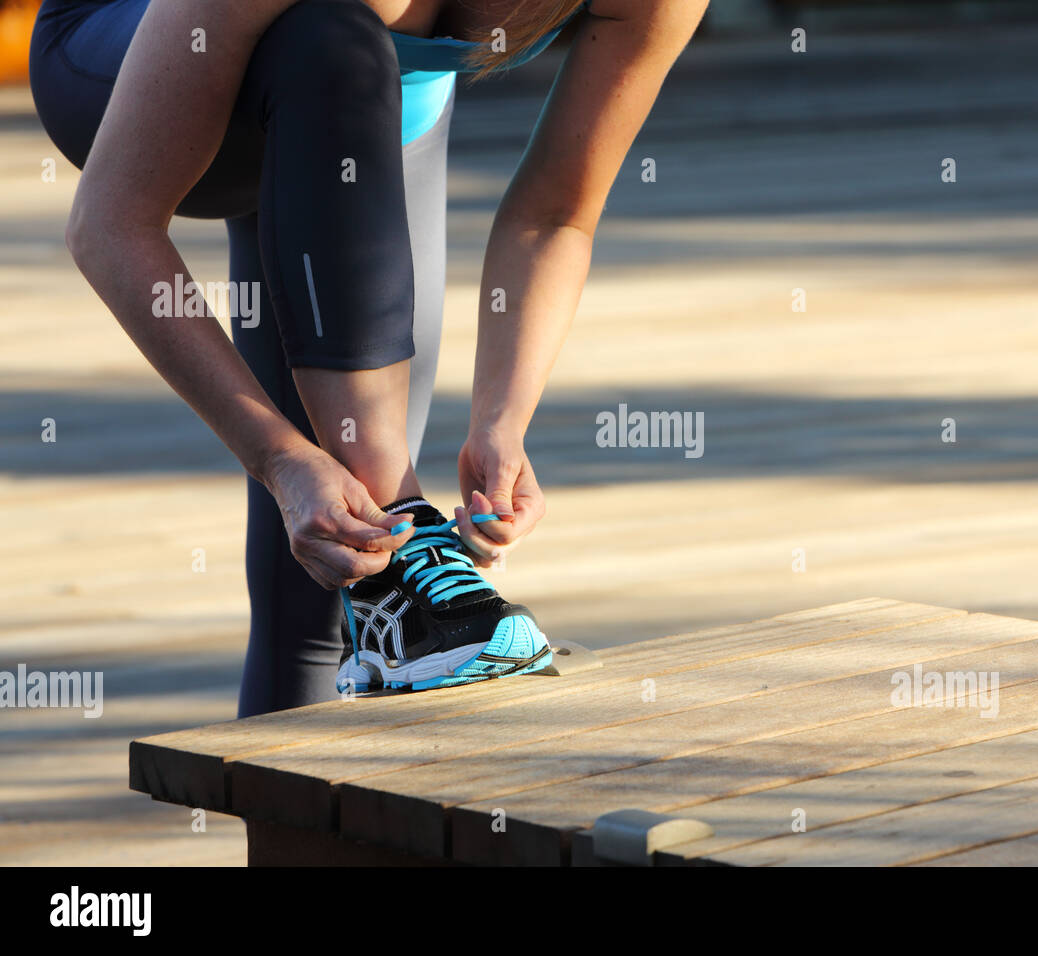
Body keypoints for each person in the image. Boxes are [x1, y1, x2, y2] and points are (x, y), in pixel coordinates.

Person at [28, 0, 708, 714]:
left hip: (374, 116)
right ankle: (403, 514)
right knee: (329, 37)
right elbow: (108, 224)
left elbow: (556, 216)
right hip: (125, 50)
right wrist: (279, 457)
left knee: (347, 561)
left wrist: (501, 422)